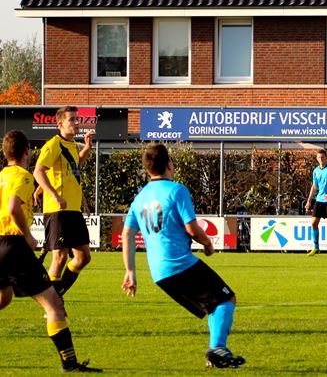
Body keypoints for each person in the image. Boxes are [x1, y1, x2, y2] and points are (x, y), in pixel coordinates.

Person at [121, 144, 245, 369]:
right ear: (169, 164)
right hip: (180, 264)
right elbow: (191, 228)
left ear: (147, 169)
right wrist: (207, 243)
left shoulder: (140, 198)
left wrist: (130, 271)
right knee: (227, 299)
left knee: (214, 304)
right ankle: (218, 348)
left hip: (159, 273)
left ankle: (215, 354)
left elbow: (127, 233)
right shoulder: (176, 190)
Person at [1, 130, 101, 372]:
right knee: (54, 305)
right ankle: (70, 363)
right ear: (27, 152)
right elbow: (14, 208)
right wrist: (29, 236)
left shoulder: (1, 175)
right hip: (14, 247)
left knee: (3, 298)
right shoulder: (23, 176)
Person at [32, 106, 94, 298]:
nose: (77, 123)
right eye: (72, 120)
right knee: (59, 257)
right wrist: (53, 195)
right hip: (58, 209)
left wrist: (87, 148)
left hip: (73, 209)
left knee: (83, 257)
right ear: (60, 124)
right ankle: (52, 303)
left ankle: (56, 295)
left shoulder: (72, 145)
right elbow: (39, 171)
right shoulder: (53, 145)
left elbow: (73, 169)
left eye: (78, 119)